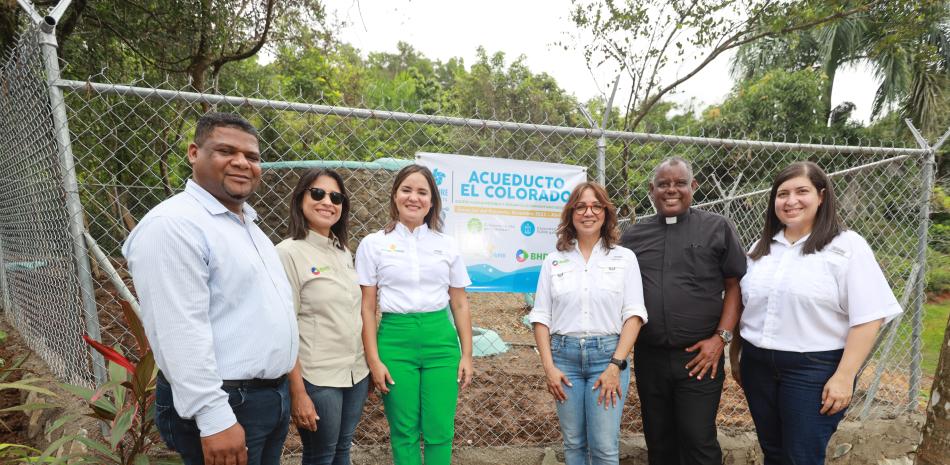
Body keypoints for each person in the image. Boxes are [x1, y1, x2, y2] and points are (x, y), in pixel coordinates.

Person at [123, 112, 298, 465]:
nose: (242, 163)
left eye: (252, 156)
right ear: (193, 153)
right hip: (226, 403)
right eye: (225, 151)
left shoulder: (246, 223)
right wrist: (214, 418)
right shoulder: (173, 226)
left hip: (266, 398)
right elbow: (179, 331)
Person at [729, 161, 901, 465]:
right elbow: (747, 308)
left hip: (812, 370)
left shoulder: (847, 246)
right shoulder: (762, 248)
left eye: (801, 191)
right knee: (774, 451)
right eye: (782, 193)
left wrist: (845, 377)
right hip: (759, 366)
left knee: (801, 457)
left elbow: (869, 316)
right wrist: (737, 357)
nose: (790, 200)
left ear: (821, 196)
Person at [620, 156, 746, 465]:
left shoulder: (717, 227)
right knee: (659, 440)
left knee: (697, 439)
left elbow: (735, 286)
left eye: (679, 183)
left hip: (700, 357)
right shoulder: (633, 236)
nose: (671, 190)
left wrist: (721, 338)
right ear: (652, 190)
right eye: (663, 184)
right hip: (650, 357)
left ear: (694, 187)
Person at [354, 164, 474, 465]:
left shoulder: (446, 245)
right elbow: (367, 308)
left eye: (422, 192)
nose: (414, 198)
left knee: (440, 428)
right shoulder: (373, 244)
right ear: (395, 196)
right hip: (395, 341)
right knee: (403, 430)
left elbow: (459, 303)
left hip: (441, 343)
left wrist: (467, 355)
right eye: (406, 190)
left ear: (432, 201)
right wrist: (374, 359)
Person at [529, 182, 647, 465]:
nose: (588, 212)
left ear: (606, 213)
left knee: (605, 447)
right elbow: (541, 317)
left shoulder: (624, 258)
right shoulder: (554, 261)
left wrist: (614, 366)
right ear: (571, 214)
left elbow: (634, 315)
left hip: (607, 359)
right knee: (573, 445)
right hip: (564, 361)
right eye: (580, 206)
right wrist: (549, 368)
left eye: (596, 206)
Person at [276, 169, 369, 465]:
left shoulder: (342, 251)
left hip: (356, 371)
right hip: (317, 376)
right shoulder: (288, 253)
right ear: (300, 198)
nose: (327, 201)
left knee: (342, 449)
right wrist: (298, 391)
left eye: (336, 197)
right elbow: (284, 327)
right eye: (317, 193)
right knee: (321, 454)